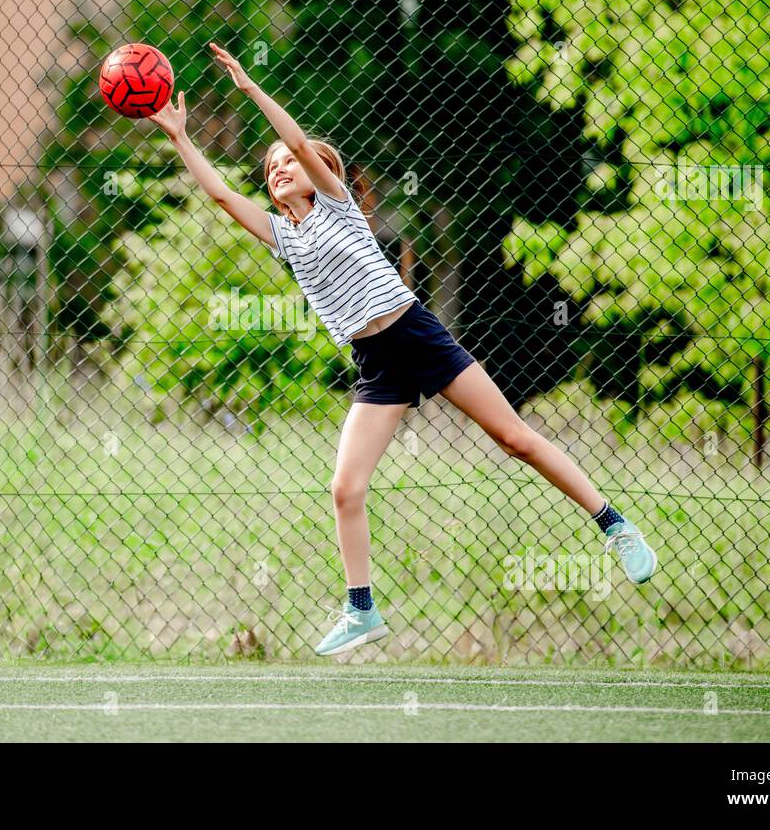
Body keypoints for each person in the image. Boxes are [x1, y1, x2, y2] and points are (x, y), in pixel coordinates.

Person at [149, 43, 658, 656]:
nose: (279, 167)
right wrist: (180, 137)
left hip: (416, 335)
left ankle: (614, 525)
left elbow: (303, 144)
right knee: (345, 489)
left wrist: (252, 90)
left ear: (318, 171)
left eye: (290, 160)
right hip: (376, 363)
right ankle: (361, 610)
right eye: (270, 166)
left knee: (515, 439)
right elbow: (224, 198)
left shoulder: (339, 208)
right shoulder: (283, 233)